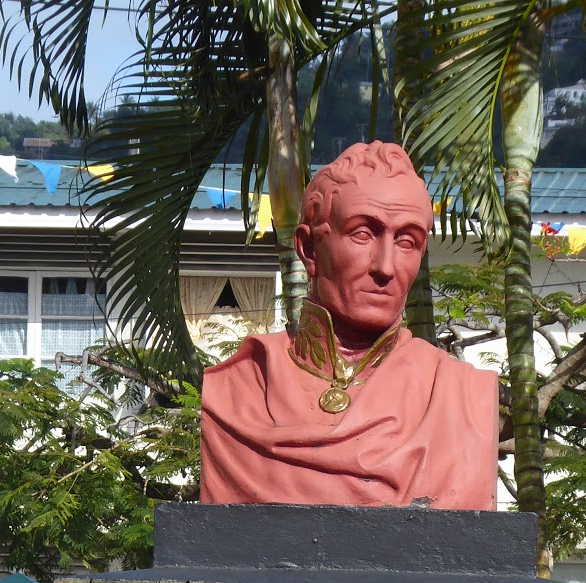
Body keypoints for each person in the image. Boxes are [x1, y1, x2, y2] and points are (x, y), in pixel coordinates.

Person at [199, 141, 499, 509]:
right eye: (362, 234)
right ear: (309, 250)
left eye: (407, 241)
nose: (385, 267)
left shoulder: (462, 396)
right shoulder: (236, 390)